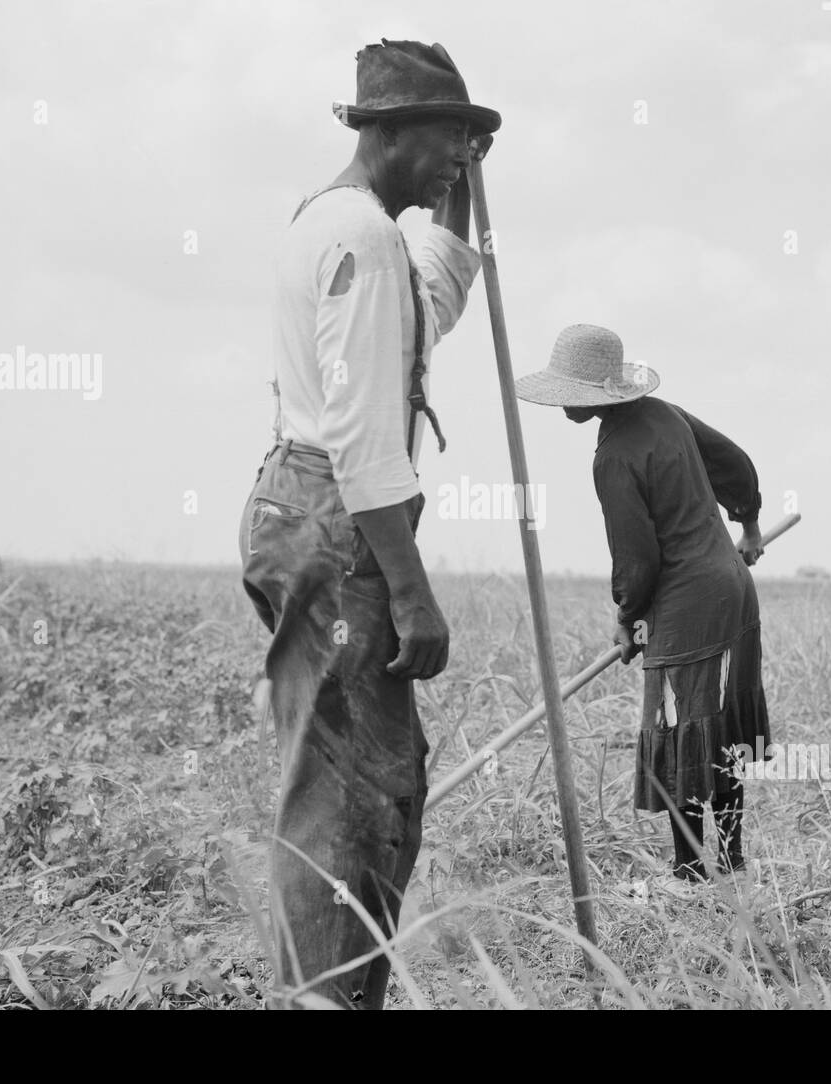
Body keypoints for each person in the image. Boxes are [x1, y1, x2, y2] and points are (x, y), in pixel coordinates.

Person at [238, 39, 499, 1007]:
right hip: (337, 514)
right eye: (446, 139)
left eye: (471, 146)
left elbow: (438, 283)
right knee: (352, 785)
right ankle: (327, 997)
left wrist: (463, 189)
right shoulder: (358, 236)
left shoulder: (357, 227)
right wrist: (409, 590)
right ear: (387, 132)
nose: (455, 160)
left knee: (355, 772)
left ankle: (331, 988)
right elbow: (359, 436)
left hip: (301, 503)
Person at [514, 324, 771, 894]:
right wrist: (748, 522)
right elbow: (734, 460)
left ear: (601, 396)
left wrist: (627, 616)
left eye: (574, 395)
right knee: (720, 727)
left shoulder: (613, 458)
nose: (565, 407)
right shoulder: (667, 415)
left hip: (689, 601)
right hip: (732, 588)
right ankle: (731, 866)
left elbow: (637, 558)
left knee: (680, 728)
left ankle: (687, 874)